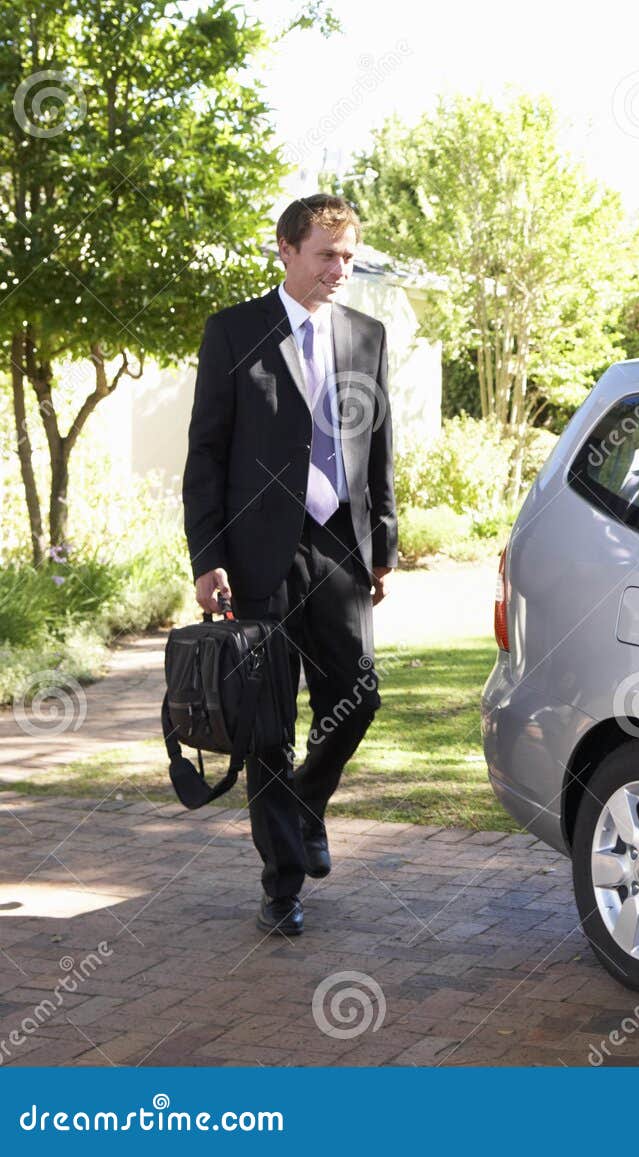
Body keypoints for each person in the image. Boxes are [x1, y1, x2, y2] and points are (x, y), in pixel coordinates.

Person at [183, 193, 397, 937]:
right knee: (267, 720)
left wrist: (383, 543)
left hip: (340, 544)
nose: (341, 269)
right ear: (286, 249)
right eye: (326, 255)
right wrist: (207, 556)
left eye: (348, 256)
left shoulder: (367, 335)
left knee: (358, 696)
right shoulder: (234, 332)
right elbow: (206, 454)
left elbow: (379, 444)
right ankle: (281, 884)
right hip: (256, 555)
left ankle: (305, 804)